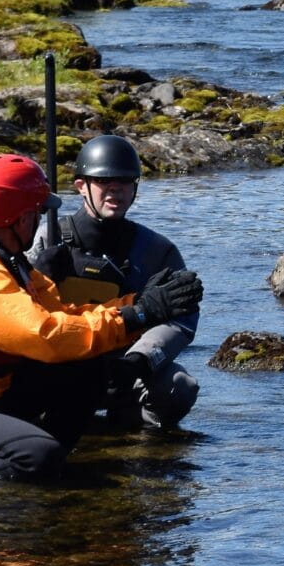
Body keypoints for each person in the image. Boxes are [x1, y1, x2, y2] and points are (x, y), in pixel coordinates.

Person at [0, 154, 202, 479]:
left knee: (85, 368)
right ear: (20, 219)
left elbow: (63, 317)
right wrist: (139, 315)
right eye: (36, 211)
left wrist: (137, 304)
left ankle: (38, 459)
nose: (39, 217)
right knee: (37, 455)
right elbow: (47, 337)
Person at [30, 134, 200, 431]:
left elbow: (182, 320)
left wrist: (139, 361)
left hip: (121, 367)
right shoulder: (43, 239)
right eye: (104, 181)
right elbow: (7, 309)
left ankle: (126, 435)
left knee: (179, 386)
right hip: (54, 363)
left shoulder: (158, 251)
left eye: (124, 181)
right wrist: (35, 276)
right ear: (81, 187)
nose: (115, 190)